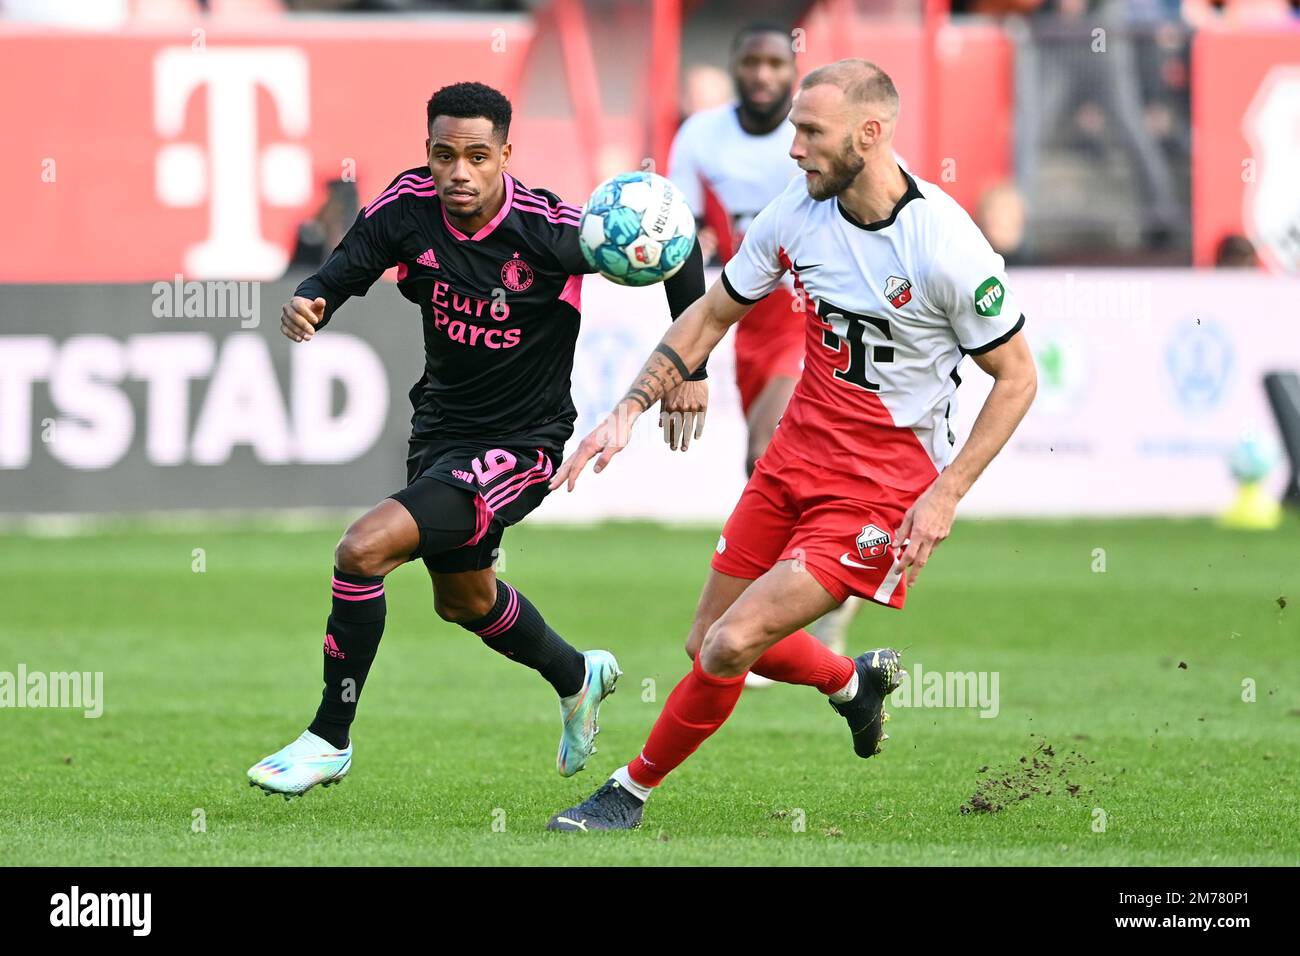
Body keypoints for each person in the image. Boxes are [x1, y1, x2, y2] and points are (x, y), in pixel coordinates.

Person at [545, 60, 1038, 832]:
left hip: (880, 490)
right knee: (705, 640)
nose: (794, 148)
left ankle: (625, 794)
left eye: (811, 132)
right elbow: (711, 314)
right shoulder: (798, 213)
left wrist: (945, 495)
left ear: (870, 135)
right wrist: (629, 408)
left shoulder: (946, 246)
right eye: (794, 131)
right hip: (792, 461)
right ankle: (851, 682)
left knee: (730, 644)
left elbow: (1016, 379)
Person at [247, 82, 708, 798]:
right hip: (440, 429)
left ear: (505, 156)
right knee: (463, 601)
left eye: (476, 156)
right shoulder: (407, 209)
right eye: (443, 155)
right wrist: (311, 301)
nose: (458, 172)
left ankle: (327, 739)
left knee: (362, 549)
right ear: (427, 153)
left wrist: (693, 370)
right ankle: (576, 675)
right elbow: (340, 272)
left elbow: (675, 254)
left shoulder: (553, 229)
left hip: (522, 444)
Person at [668, 22, 863, 662]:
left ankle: (782, 613)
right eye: (749, 61)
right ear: (734, 67)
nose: (761, 74)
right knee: (768, 466)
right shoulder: (700, 136)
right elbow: (683, 241)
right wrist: (689, 350)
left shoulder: (810, 135)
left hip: (808, 314)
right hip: (742, 316)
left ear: (792, 69)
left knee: (763, 451)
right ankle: (845, 562)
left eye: (775, 62)